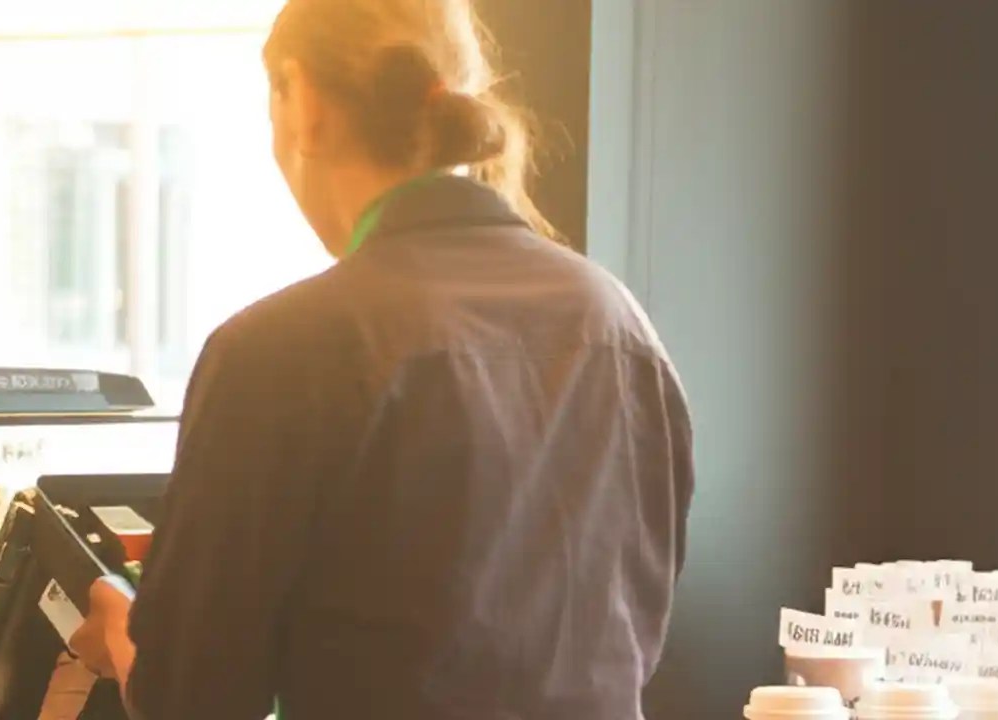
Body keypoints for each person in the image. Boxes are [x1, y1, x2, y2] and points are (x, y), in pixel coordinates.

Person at [68, 0, 694, 718]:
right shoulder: (616, 323)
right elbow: (633, 619)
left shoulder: (278, 350)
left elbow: (194, 700)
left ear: (302, 101)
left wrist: (122, 626)